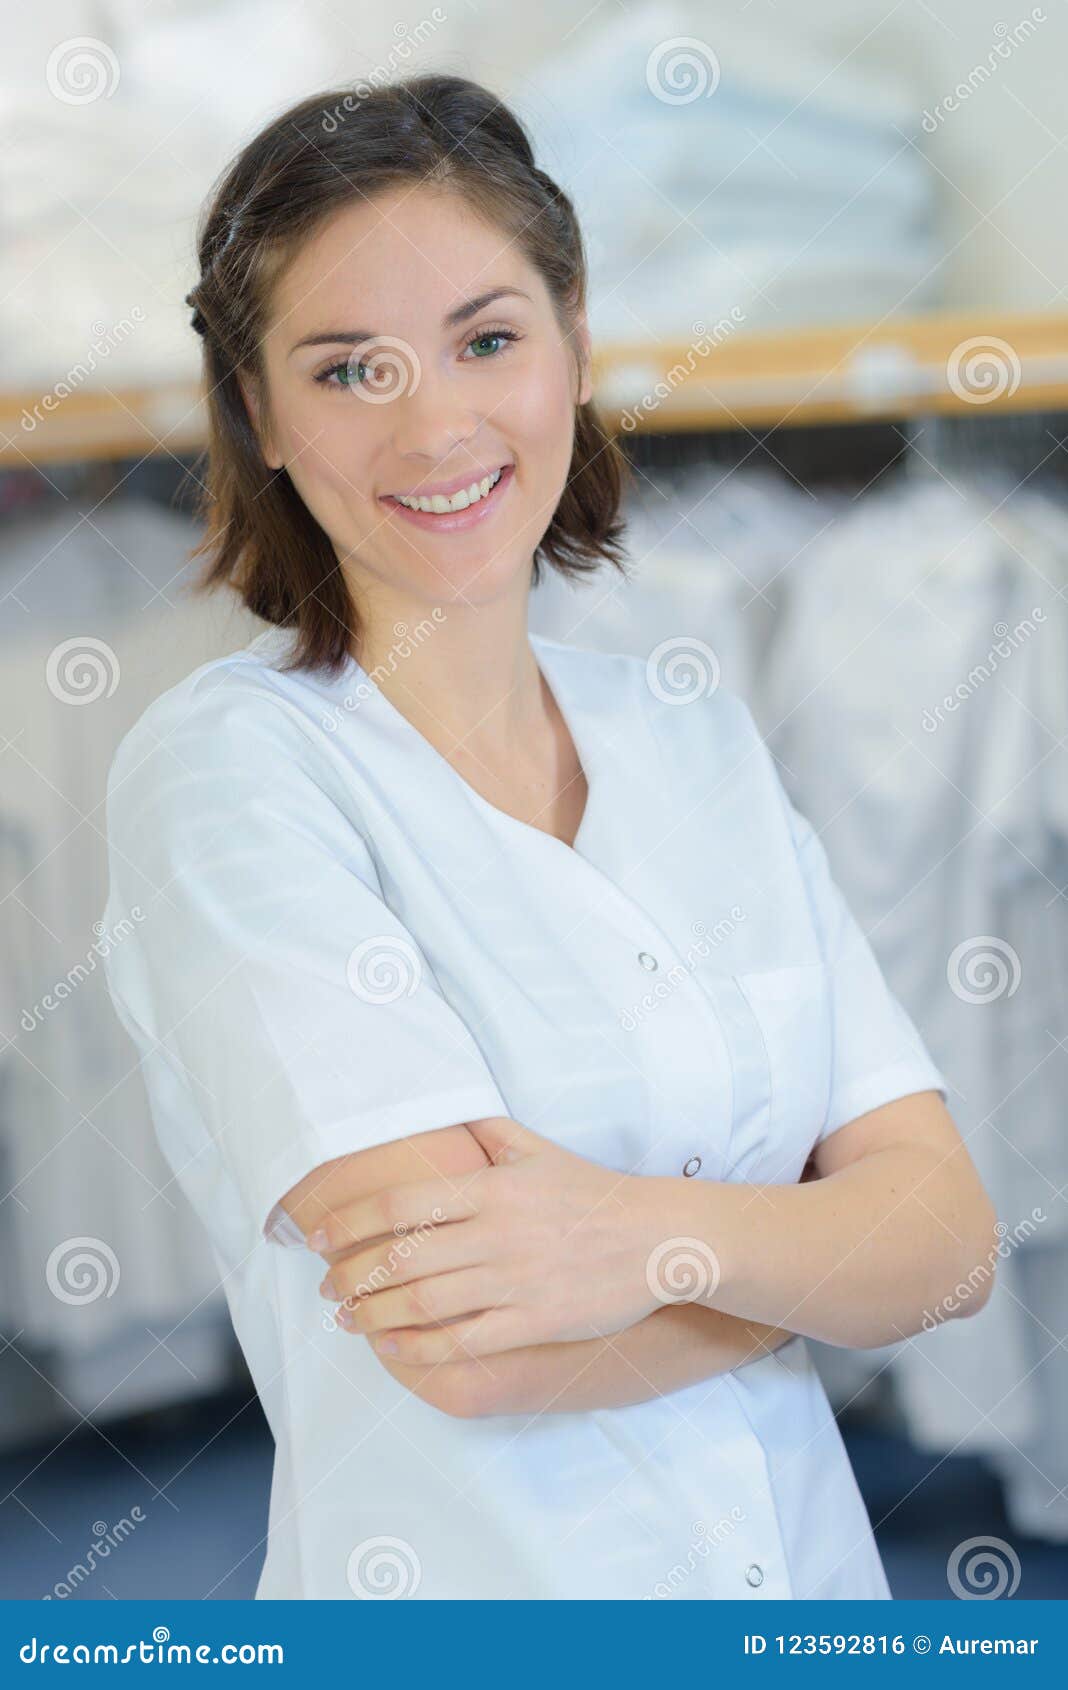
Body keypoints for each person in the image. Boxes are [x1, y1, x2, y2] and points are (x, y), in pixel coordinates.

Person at [100, 73, 997, 1601]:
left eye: (487, 340)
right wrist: (797, 1260)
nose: (435, 420)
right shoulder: (230, 774)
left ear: (576, 345)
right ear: (255, 411)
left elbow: (949, 1244)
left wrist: (627, 1235)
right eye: (348, 369)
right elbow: (471, 1355)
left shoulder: (686, 729)